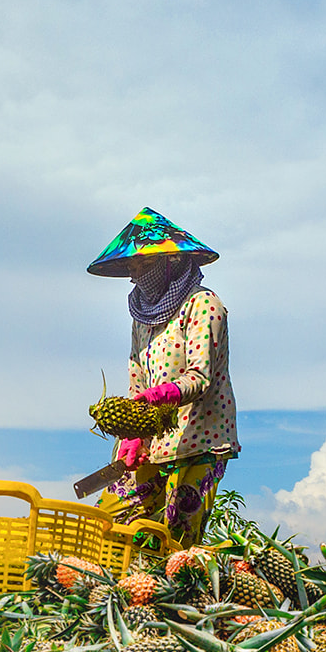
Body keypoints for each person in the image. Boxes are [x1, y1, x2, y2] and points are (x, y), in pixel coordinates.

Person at [92, 207, 238, 546]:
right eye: (131, 267)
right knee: (111, 525)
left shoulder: (204, 305)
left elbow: (200, 376)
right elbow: (137, 380)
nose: (135, 275)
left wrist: (160, 396)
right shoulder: (142, 316)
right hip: (153, 440)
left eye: (145, 264)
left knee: (175, 540)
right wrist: (132, 434)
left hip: (200, 438)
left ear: (172, 261)